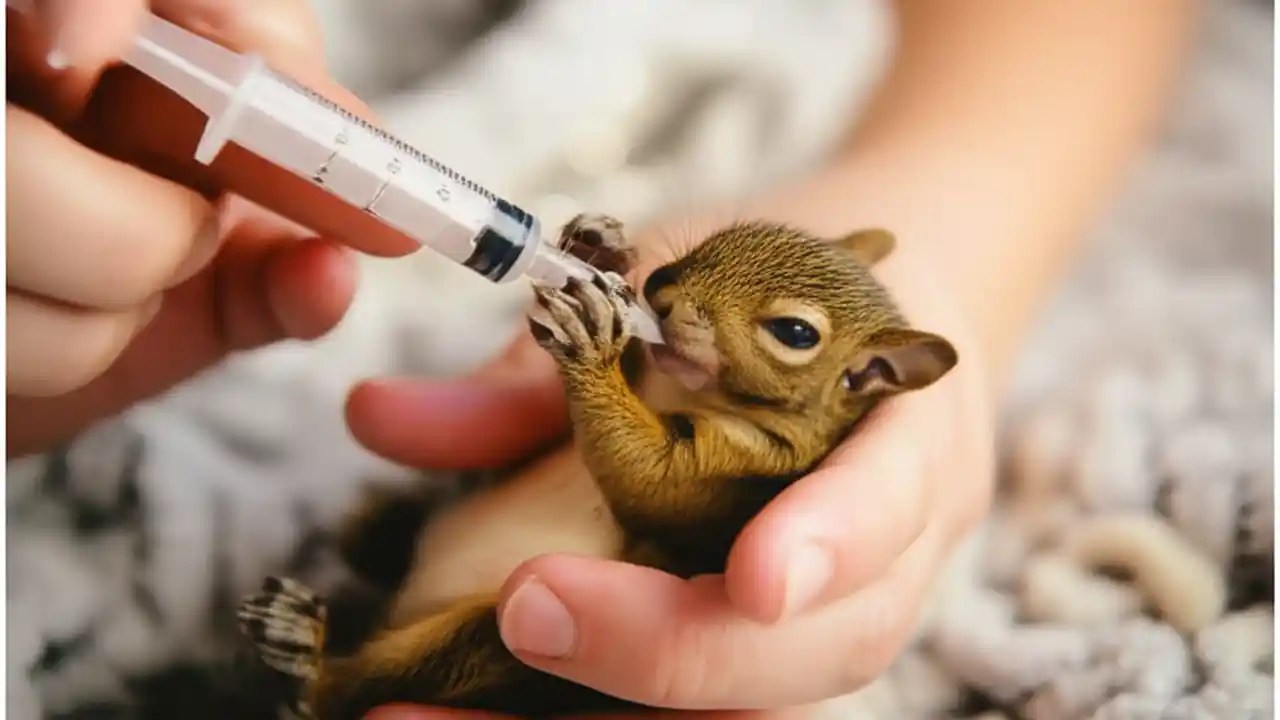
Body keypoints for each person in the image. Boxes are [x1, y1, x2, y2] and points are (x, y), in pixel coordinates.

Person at [7, 1, 1196, 718]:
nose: (674, 303)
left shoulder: (761, 450)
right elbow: (625, 362)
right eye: (697, 272)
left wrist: (948, 214)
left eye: (782, 331)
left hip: (526, 593)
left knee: (486, 635)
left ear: (862, 380)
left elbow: (656, 479)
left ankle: (331, 678)